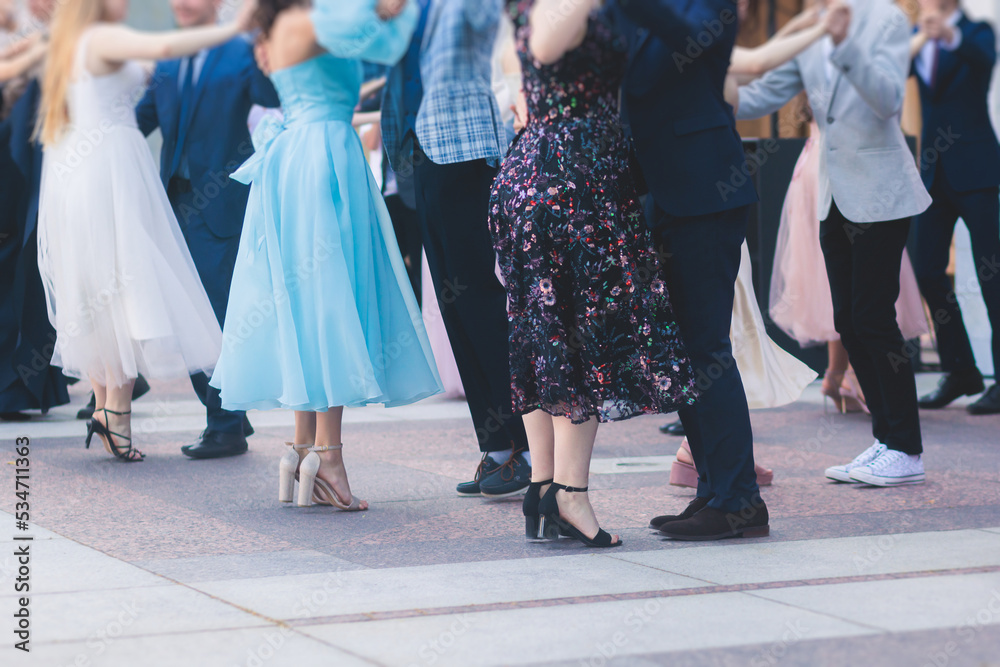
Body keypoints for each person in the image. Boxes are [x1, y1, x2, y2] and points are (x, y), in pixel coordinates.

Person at [209, 0, 442, 511]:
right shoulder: (306, 22)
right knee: (330, 301)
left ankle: (301, 449)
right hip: (322, 158)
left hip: (307, 154)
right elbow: (387, 44)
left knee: (309, 300)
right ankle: (329, 457)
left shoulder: (292, 25)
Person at [492, 0, 697, 549]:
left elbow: (516, 73)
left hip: (548, 167)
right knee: (579, 334)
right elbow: (540, 48)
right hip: (572, 176)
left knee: (543, 333)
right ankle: (569, 493)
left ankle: (544, 488)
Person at [36, 0, 255, 461]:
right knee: (121, 290)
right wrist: (238, 24)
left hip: (117, 175)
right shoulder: (102, 37)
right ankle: (118, 409)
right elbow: (163, 55)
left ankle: (120, 410)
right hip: (119, 178)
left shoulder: (75, 43)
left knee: (112, 289)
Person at [737, 0, 933, 487]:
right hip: (832, 198)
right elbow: (765, 91)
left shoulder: (885, 18)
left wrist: (843, 44)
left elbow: (888, 98)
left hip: (881, 194)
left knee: (873, 318)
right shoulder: (812, 24)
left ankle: (906, 448)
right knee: (847, 320)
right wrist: (706, 93)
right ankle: (887, 440)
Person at [611, 0, 767, 541]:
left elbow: (687, 43)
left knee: (706, 349)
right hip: (657, 194)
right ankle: (715, 490)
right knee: (682, 356)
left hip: (705, 190)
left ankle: (741, 501)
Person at [382, 0, 533, 499]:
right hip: (421, 154)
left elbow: (498, 26)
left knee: (484, 305)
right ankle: (496, 447)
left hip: (465, 151)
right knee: (454, 307)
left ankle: (526, 447)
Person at [134, 0, 280, 459]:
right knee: (188, 318)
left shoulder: (240, 50)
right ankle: (228, 416)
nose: (183, 3)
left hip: (220, 204)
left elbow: (272, 95)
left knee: (215, 316)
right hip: (173, 205)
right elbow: (141, 118)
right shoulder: (169, 54)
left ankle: (225, 425)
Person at [768, 117, 929, 415]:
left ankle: (840, 376)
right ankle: (852, 380)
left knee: (852, 295)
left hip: (823, 165)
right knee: (842, 289)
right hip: (831, 172)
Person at [910, 0, 1000, 415]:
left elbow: (982, 59)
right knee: (926, 268)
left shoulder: (977, 31)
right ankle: (960, 370)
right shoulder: (916, 38)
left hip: (977, 171)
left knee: (991, 275)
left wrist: (948, 35)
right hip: (933, 173)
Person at [0, 0, 70, 422]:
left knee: (25, 270)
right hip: (14, 161)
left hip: (30, 162)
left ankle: (21, 385)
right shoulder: (30, 37)